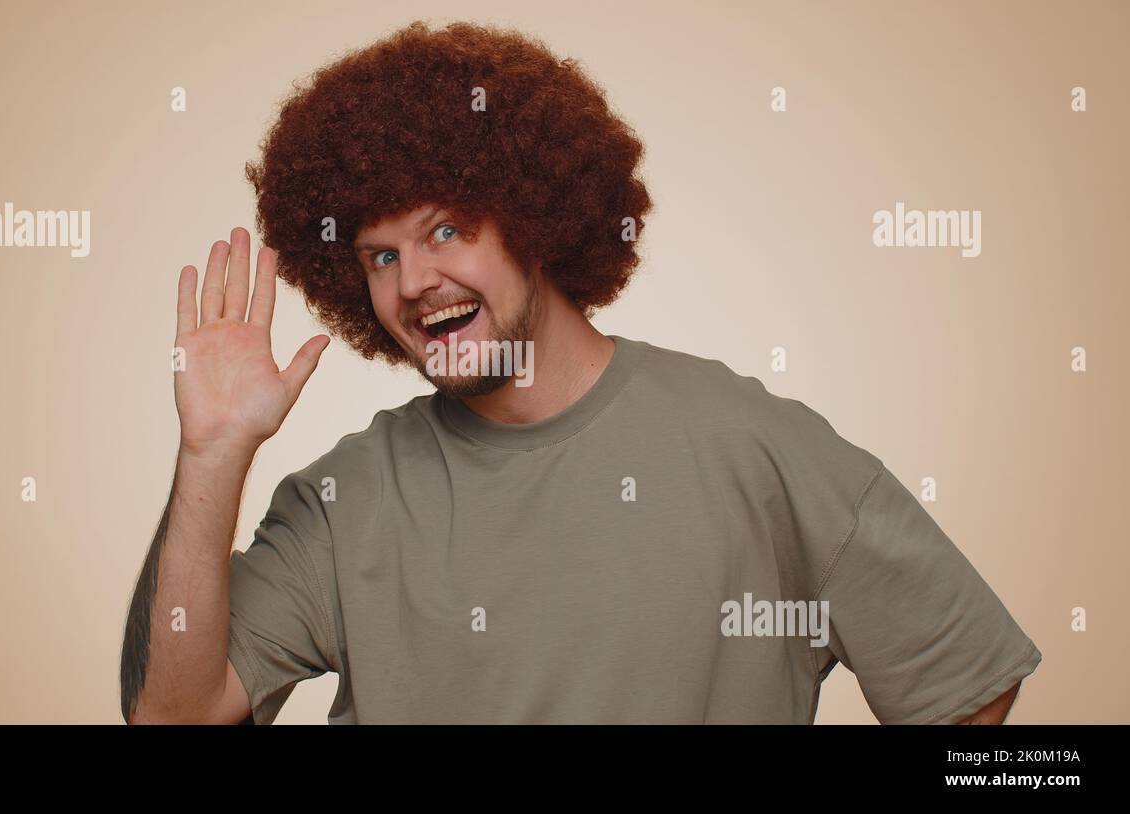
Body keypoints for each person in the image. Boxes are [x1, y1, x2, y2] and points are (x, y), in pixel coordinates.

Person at [119, 21, 1040, 724]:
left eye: (446, 229)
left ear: (532, 215)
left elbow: (968, 688)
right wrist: (212, 450)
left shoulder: (753, 447)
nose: (416, 281)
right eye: (379, 255)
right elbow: (178, 713)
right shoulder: (344, 501)